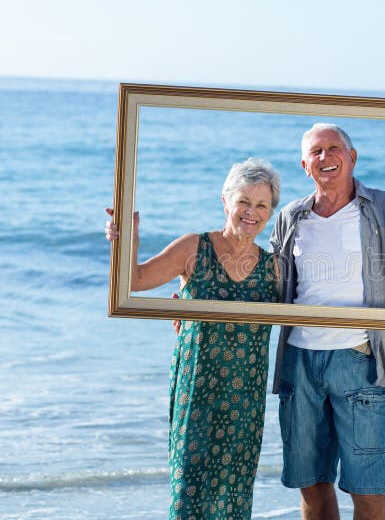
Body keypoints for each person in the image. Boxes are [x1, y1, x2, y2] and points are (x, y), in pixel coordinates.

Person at [271, 123, 385, 520]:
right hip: (300, 362)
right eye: (315, 152)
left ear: (352, 158)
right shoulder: (290, 216)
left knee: (366, 490)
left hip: (361, 361)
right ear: (305, 165)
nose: (325, 157)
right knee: (312, 486)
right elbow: (270, 284)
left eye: (334, 148)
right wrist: (190, 299)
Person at [105, 157, 281, 519]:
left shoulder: (273, 268)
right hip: (196, 390)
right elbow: (132, 282)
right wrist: (127, 241)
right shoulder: (193, 249)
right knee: (188, 497)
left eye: (262, 205)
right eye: (244, 201)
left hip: (244, 400)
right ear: (225, 201)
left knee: (233, 499)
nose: (252, 212)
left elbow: (308, 316)